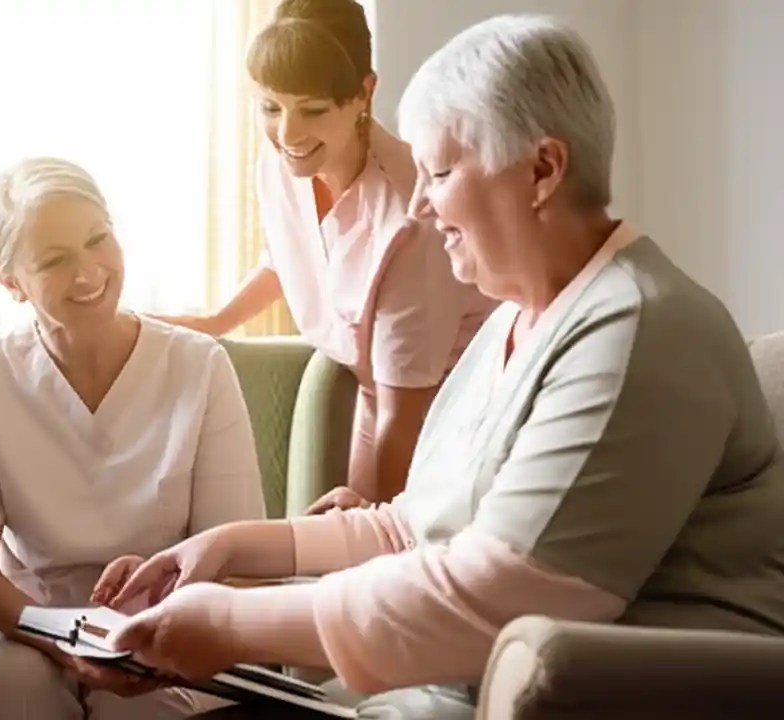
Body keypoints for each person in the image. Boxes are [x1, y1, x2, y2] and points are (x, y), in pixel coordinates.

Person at [100, 15, 784, 719]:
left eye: (442, 173)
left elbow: (492, 596)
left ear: (542, 171)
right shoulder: (514, 324)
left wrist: (227, 624)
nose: (421, 205)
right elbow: (415, 525)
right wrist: (229, 547)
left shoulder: (638, 326)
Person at [0, 157, 266, 720]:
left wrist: (151, 618)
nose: (88, 273)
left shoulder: (198, 366)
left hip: (175, 615)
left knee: (133, 706)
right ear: (11, 281)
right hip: (29, 621)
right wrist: (64, 638)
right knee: (18, 686)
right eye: (55, 261)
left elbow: (235, 550)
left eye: (98, 241)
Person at [156, 0, 496, 510]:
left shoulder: (410, 218)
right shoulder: (284, 162)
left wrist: (373, 519)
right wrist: (216, 320)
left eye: (312, 109)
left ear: (363, 94)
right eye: (270, 107)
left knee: (384, 556)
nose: (288, 133)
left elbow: (408, 409)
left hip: (453, 413)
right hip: (380, 394)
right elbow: (296, 254)